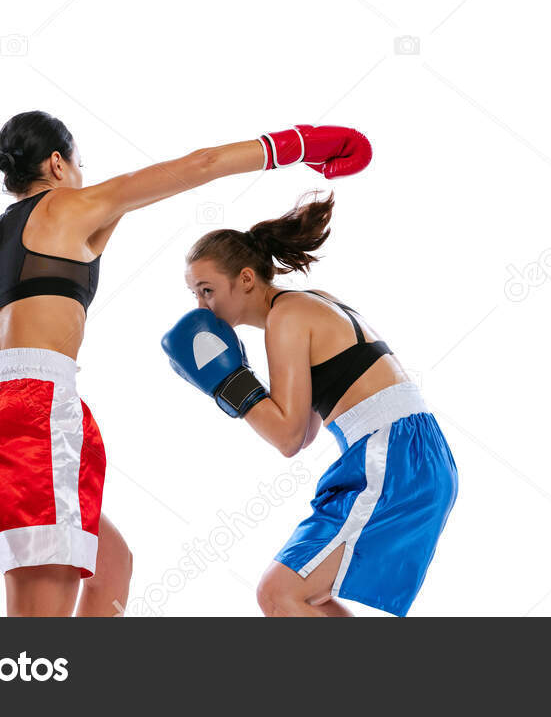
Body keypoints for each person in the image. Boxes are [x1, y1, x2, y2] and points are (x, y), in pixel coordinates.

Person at [0, 110, 371, 616]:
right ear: (58, 164)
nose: (87, 181)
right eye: (81, 166)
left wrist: (127, 198)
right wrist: (301, 145)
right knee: (39, 618)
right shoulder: (71, 206)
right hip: (34, 414)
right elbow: (204, 163)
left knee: (112, 567)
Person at [161, 192, 458, 616]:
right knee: (301, 592)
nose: (201, 306)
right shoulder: (303, 303)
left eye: (207, 291)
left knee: (280, 592)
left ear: (245, 279)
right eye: (194, 293)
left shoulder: (287, 318)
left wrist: (227, 383)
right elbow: (302, 434)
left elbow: (285, 437)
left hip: (395, 454)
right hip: (406, 453)